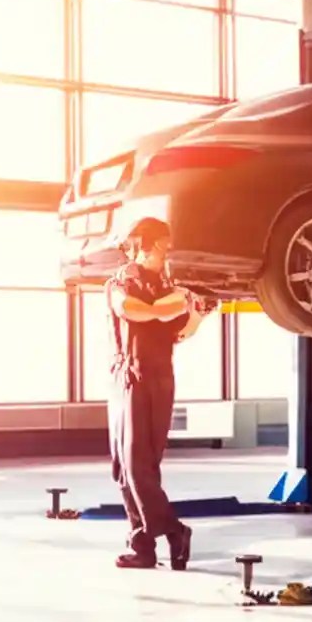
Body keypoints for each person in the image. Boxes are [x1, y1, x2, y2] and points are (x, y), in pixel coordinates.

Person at [104, 217, 215, 570]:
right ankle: (143, 545)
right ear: (144, 244)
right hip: (126, 376)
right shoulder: (124, 281)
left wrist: (194, 313)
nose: (165, 251)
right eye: (161, 244)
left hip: (150, 377)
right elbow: (128, 309)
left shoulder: (172, 287)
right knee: (125, 468)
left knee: (140, 465)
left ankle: (173, 531)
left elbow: (181, 333)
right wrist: (171, 306)